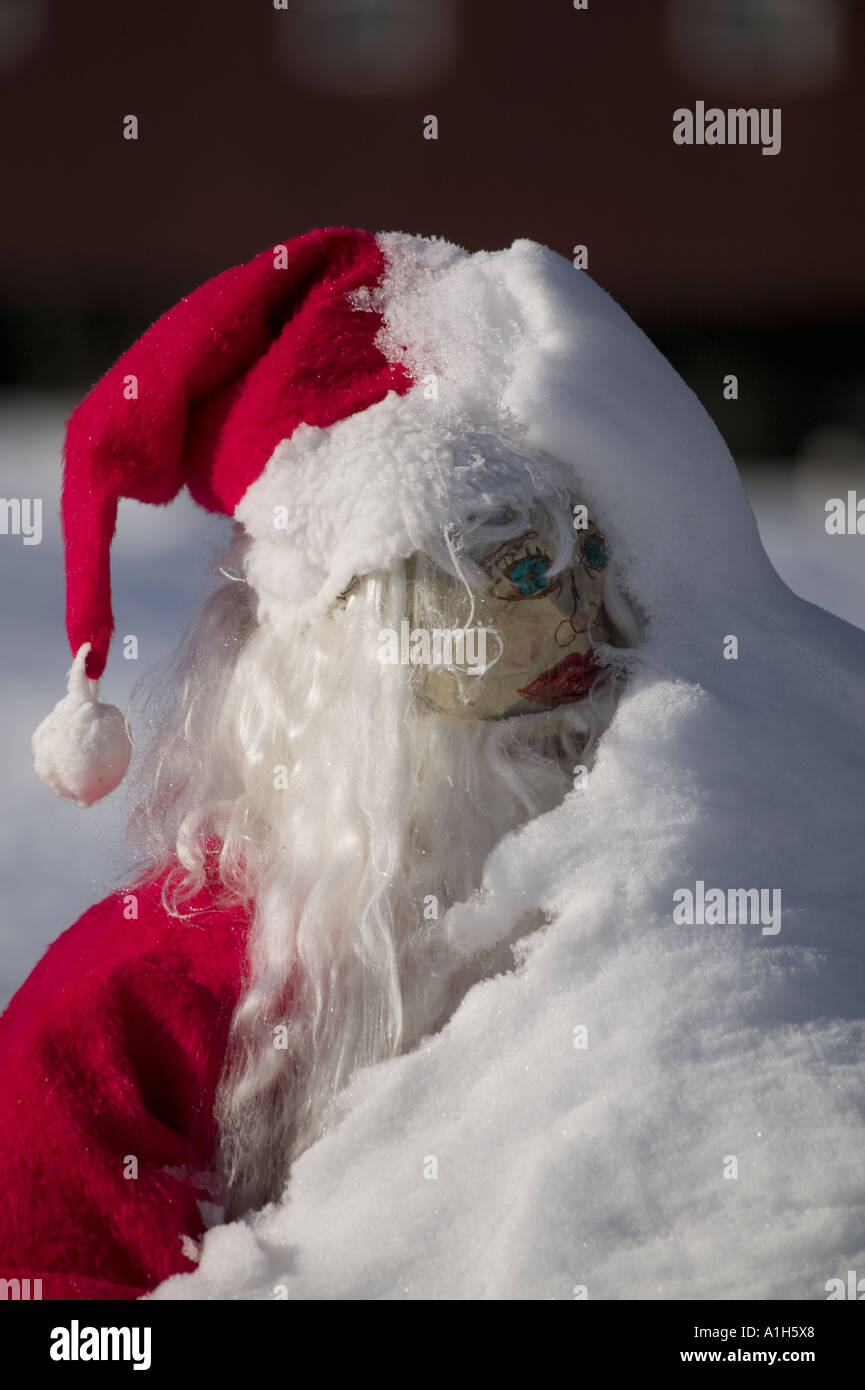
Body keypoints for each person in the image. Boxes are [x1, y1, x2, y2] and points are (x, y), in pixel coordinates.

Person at [0, 227, 643, 1298]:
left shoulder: (645, 887)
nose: (574, 619)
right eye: (509, 570)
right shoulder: (117, 1011)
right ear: (344, 643)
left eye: (585, 559)